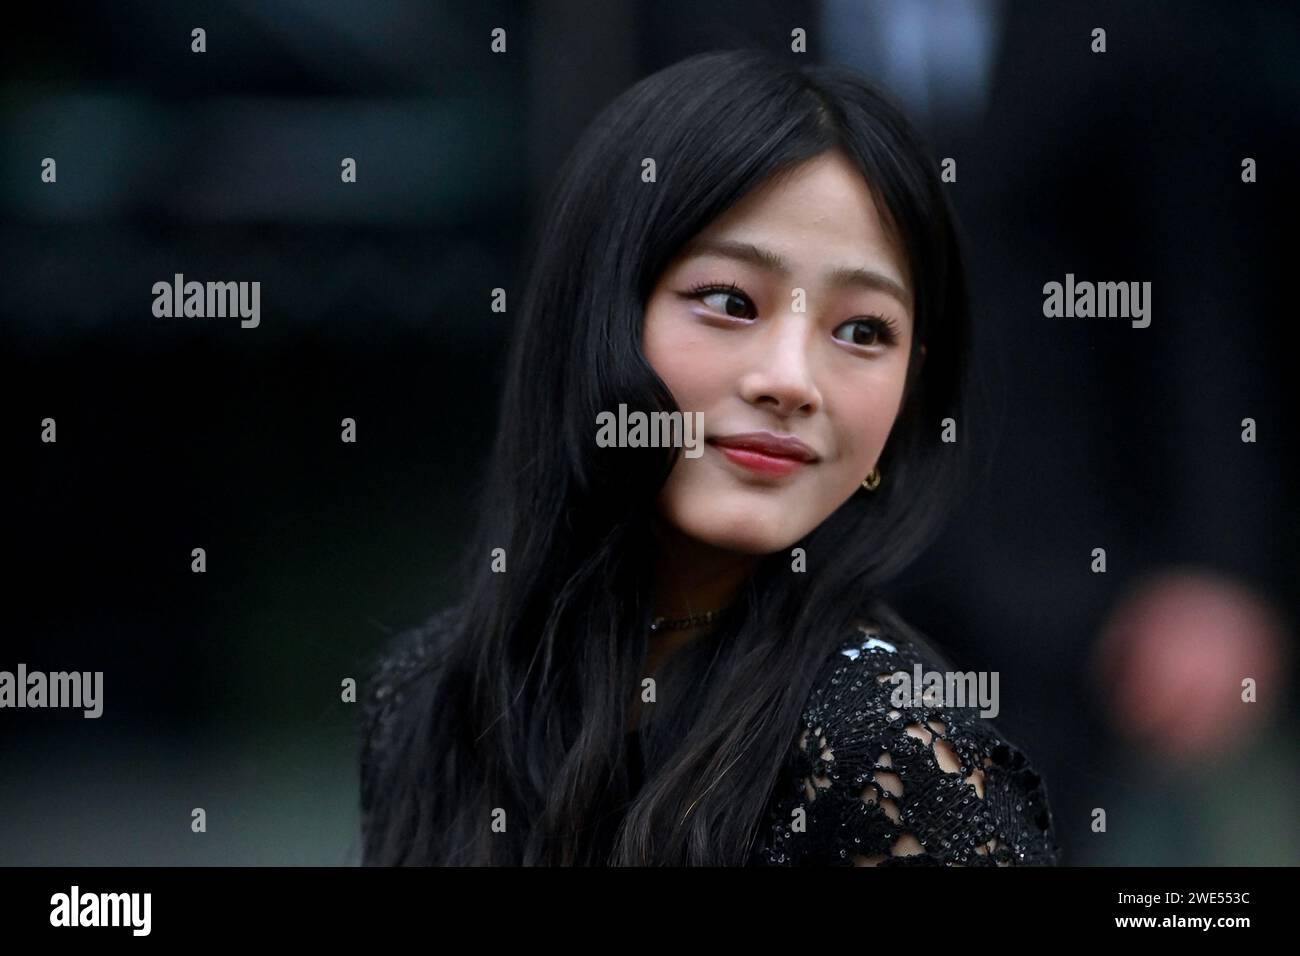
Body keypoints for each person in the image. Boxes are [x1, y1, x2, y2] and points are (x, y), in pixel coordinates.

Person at [358, 48, 1059, 866]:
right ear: (596, 312)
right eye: (730, 302)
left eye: (863, 330)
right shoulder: (426, 698)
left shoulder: (889, 761)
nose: (792, 382)